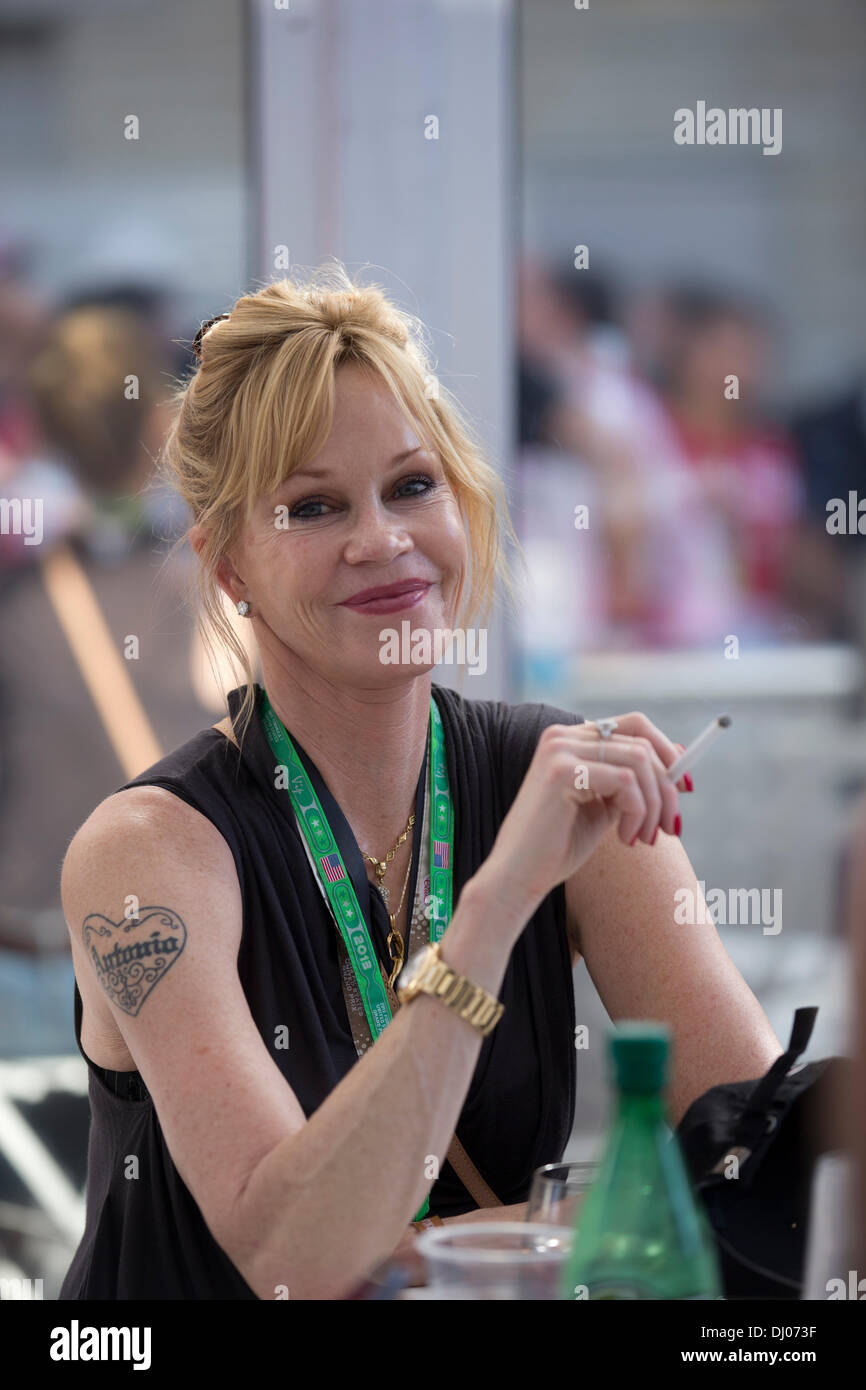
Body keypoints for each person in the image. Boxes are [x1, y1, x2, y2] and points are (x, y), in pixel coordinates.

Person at [58, 263, 783, 1300]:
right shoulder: (148, 852)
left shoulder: (557, 775)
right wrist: (495, 905)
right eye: (312, 508)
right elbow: (296, 1264)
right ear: (229, 570)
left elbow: (759, 1160)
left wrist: (445, 1244)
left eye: (411, 485)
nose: (382, 541)